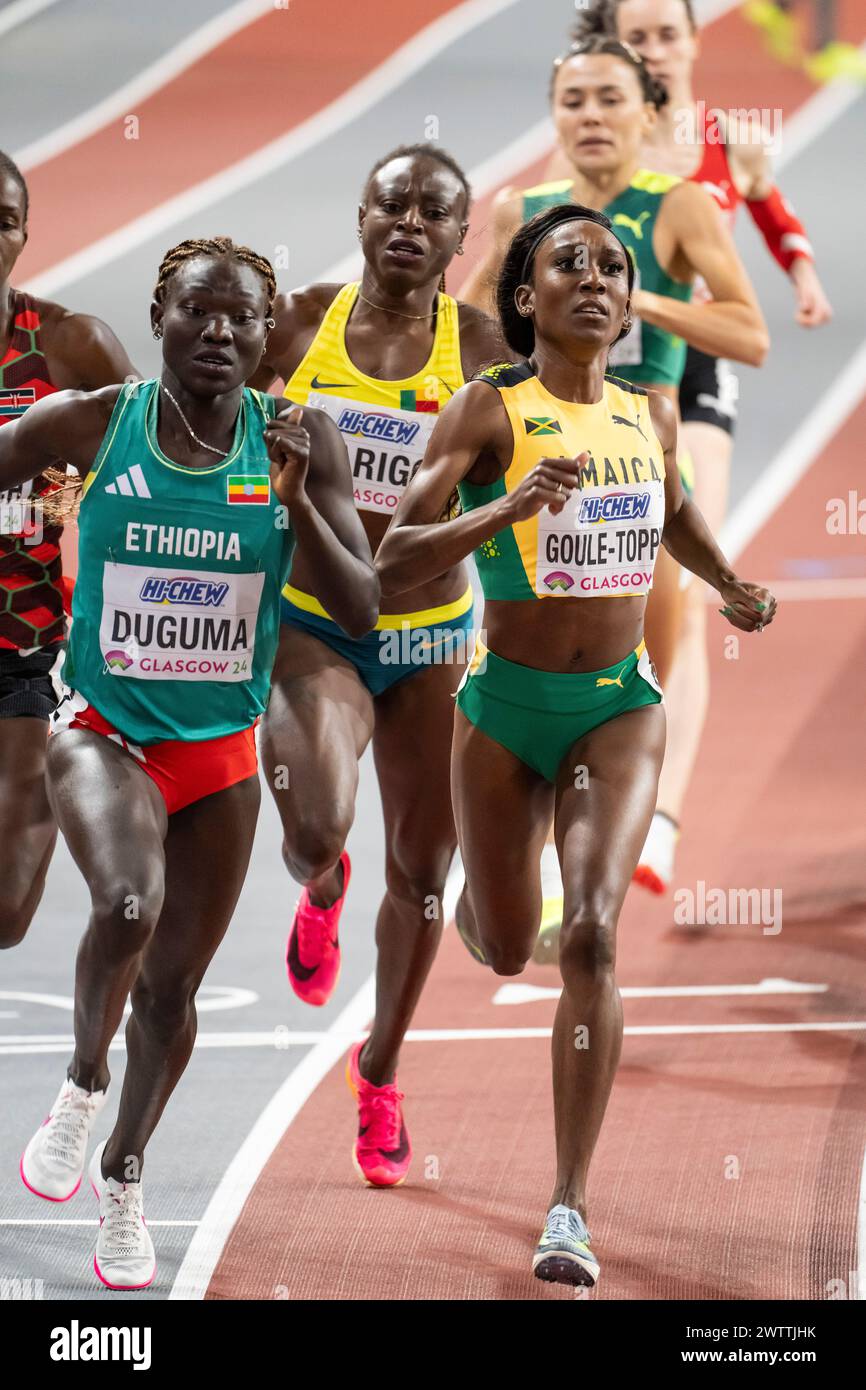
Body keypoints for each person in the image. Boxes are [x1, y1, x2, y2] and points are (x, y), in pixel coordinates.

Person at [376, 204, 775, 1286]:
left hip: (615, 706)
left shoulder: (650, 412)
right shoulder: (487, 408)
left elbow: (672, 511)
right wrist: (504, 509)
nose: (596, 279)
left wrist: (727, 580)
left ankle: (567, 1205)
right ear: (525, 297)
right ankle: (484, 895)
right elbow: (395, 557)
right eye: (569, 264)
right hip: (503, 713)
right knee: (511, 949)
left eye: (613, 266)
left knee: (591, 938)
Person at [9, 236, 377, 1290]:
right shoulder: (93, 421)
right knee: (127, 902)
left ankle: (124, 1174)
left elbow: (360, 607)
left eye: (241, 318)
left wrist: (295, 500)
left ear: (267, 336)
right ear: (159, 317)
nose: (218, 332)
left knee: (170, 992)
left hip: (218, 754)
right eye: (197, 312)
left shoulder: (299, 439)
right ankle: (82, 1086)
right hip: (102, 729)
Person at [459, 35, 768, 951]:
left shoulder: (677, 204)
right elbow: (464, 327)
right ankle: (506, 869)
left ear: (647, 111)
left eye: (609, 99)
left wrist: (626, 297)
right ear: (554, 115)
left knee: (632, 667)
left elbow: (748, 334)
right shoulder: (525, 212)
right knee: (521, 645)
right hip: (539, 451)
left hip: (641, 455)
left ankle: (612, 852)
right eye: (574, 101)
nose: (591, 117)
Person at [249, 143, 511, 1187]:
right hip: (314, 622)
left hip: (432, 637)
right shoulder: (299, 324)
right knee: (315, 827)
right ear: (359, 216)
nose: (408, 222)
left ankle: (380, 1070)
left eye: (431, 211)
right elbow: (210, 425)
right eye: (390, 203)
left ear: (459, 238)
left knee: (422, 876)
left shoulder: (484, 349)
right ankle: (321, 885)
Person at [551, 0, 831, 895]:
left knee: (688, 585)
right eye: (636, 37)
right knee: (602, 585)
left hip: (695, 366)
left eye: (667, 34)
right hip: (604, 373)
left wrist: (803, 274)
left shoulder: (727, 142)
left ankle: (662, 820)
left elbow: (771, 210)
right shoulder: (592, 149)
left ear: (694, 42)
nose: (653, 50)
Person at [0, 149, 137, 950]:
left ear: (24, 235)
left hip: (21, 645)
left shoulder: (67, 345)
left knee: (7, 912)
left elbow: (145, 454)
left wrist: (56, 500)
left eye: (4, 222)